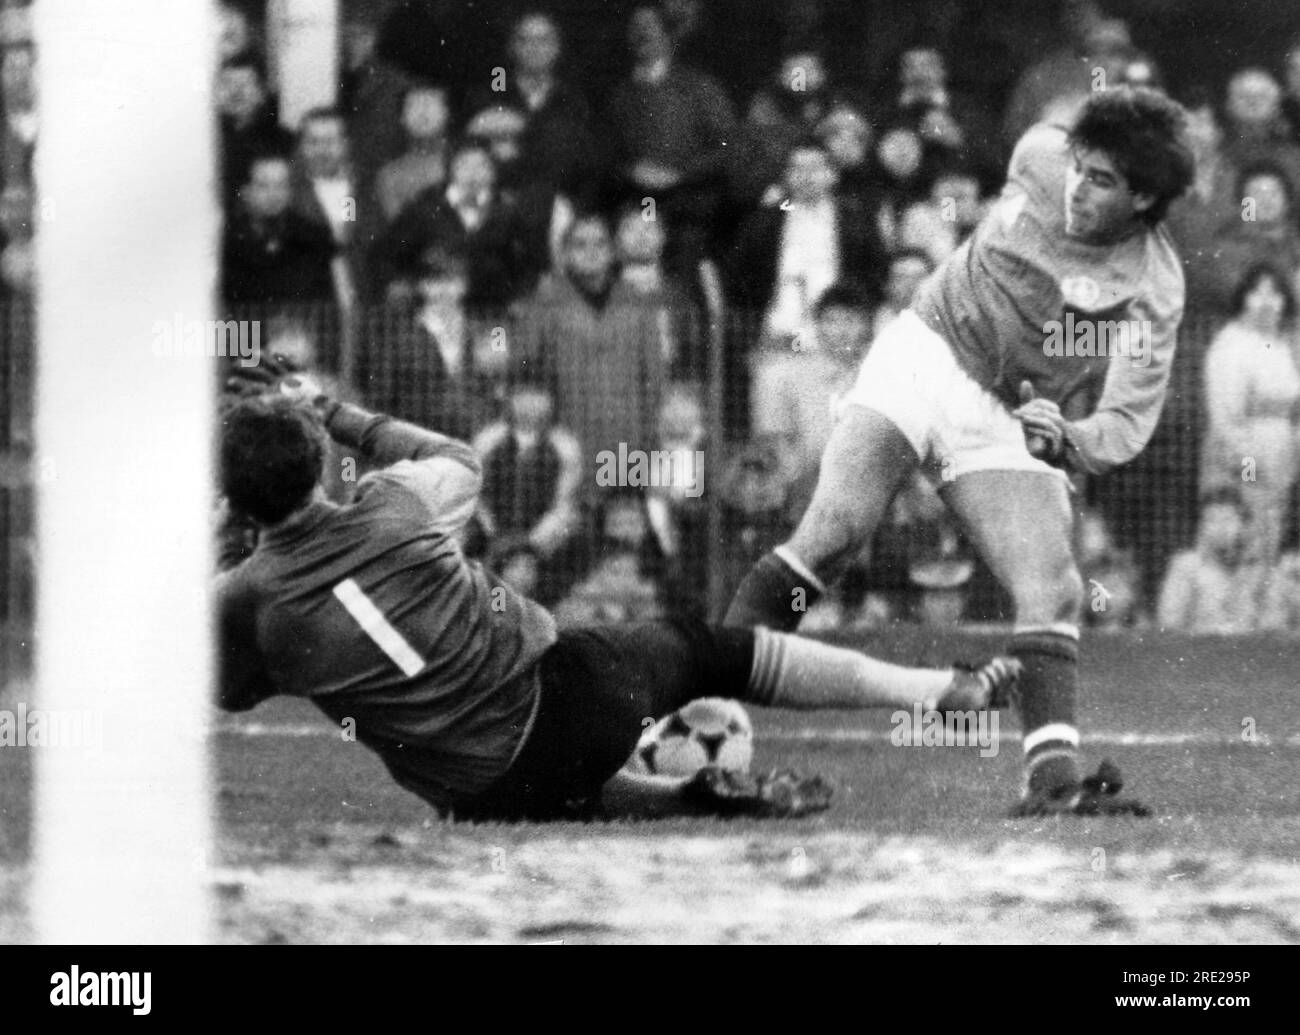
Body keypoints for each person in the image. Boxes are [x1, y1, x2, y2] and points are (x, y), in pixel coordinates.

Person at [215, 373, 1021, 822]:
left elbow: (230, 692)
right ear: (321, 459)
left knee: (545, 783)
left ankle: (682, 800)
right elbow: (457, 455)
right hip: (570, 700)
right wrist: (332, 409)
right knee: (716, 651)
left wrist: (227, 549)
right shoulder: (393, 503)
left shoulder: (246, 601)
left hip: (484, 794)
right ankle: (933, 690)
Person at [724, 87, 1196, 818]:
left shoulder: (1153, 286)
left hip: (1006, 415)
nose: (1076, 186)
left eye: (1102, 181)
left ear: (1145, 201)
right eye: (1080, 165)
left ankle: (1051, 782)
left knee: (1056, 585)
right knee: (834, 530)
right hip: (924, 352)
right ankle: (698, 711)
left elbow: (1127, 421)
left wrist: (1069, 439)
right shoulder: (1039, 152)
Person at [1201, 264, 1300, 565]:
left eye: (1275, 294)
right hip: (1245, 461)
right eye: (1257, 293)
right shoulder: (1231, 345)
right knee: (1242, 538)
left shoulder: (1279, 344)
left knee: (1271, 541)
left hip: (1281, 458)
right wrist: (1252, 468)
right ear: (1243, 298)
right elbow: (1225, 420)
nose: (1267, 302)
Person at [1156, 488, 1267, 634]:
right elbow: (1169, 624)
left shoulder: (1257, 569)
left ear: (1243, 525)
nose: (1221, 528)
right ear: (1201, 527)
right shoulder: (1187, 567)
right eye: (1211, 520)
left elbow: (1271, 625)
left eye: (1228, 519)